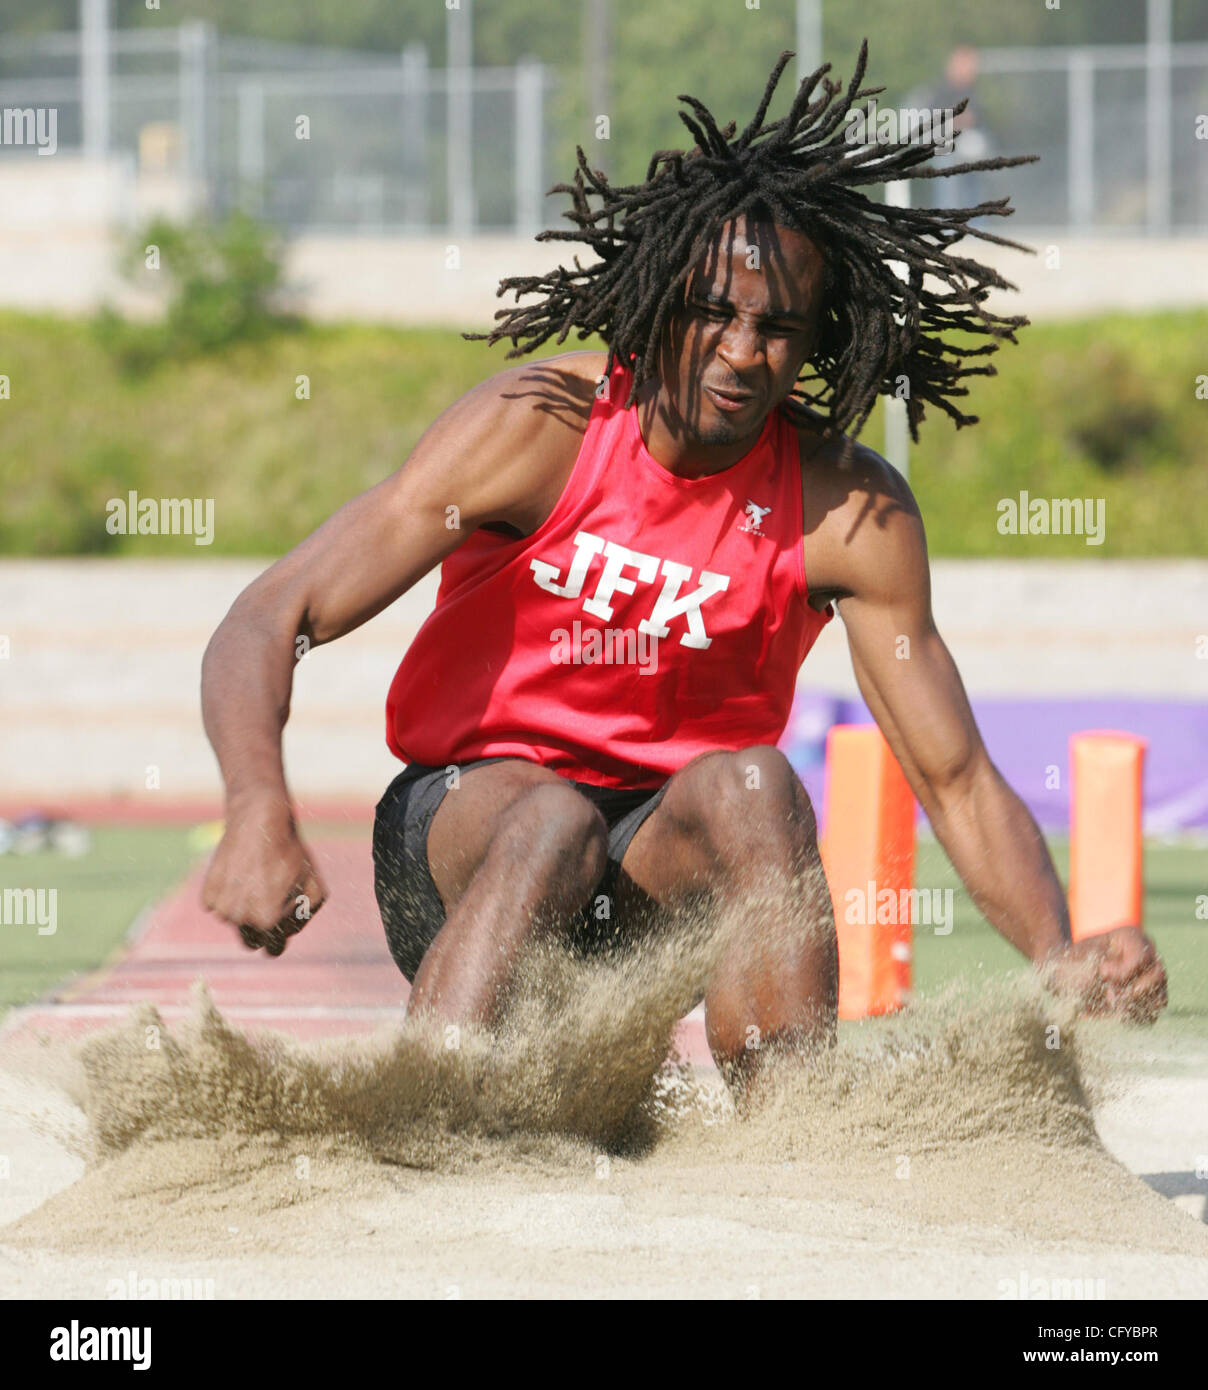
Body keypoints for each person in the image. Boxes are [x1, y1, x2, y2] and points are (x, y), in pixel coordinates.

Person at [200, 45, 1166, 1090]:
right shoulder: (540, 430)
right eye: (713, 310)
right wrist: (257, 809)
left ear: (816, 344)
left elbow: (956, 776)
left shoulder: (848, 512)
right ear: (658, 297)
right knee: (552, 819)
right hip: (466, 839)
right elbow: (272, 610)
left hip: (654, 881)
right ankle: (426, 1109)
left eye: (776, 328)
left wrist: (1058, 954)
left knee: (758, 782)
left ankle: (790, 1129)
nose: (742, 351)